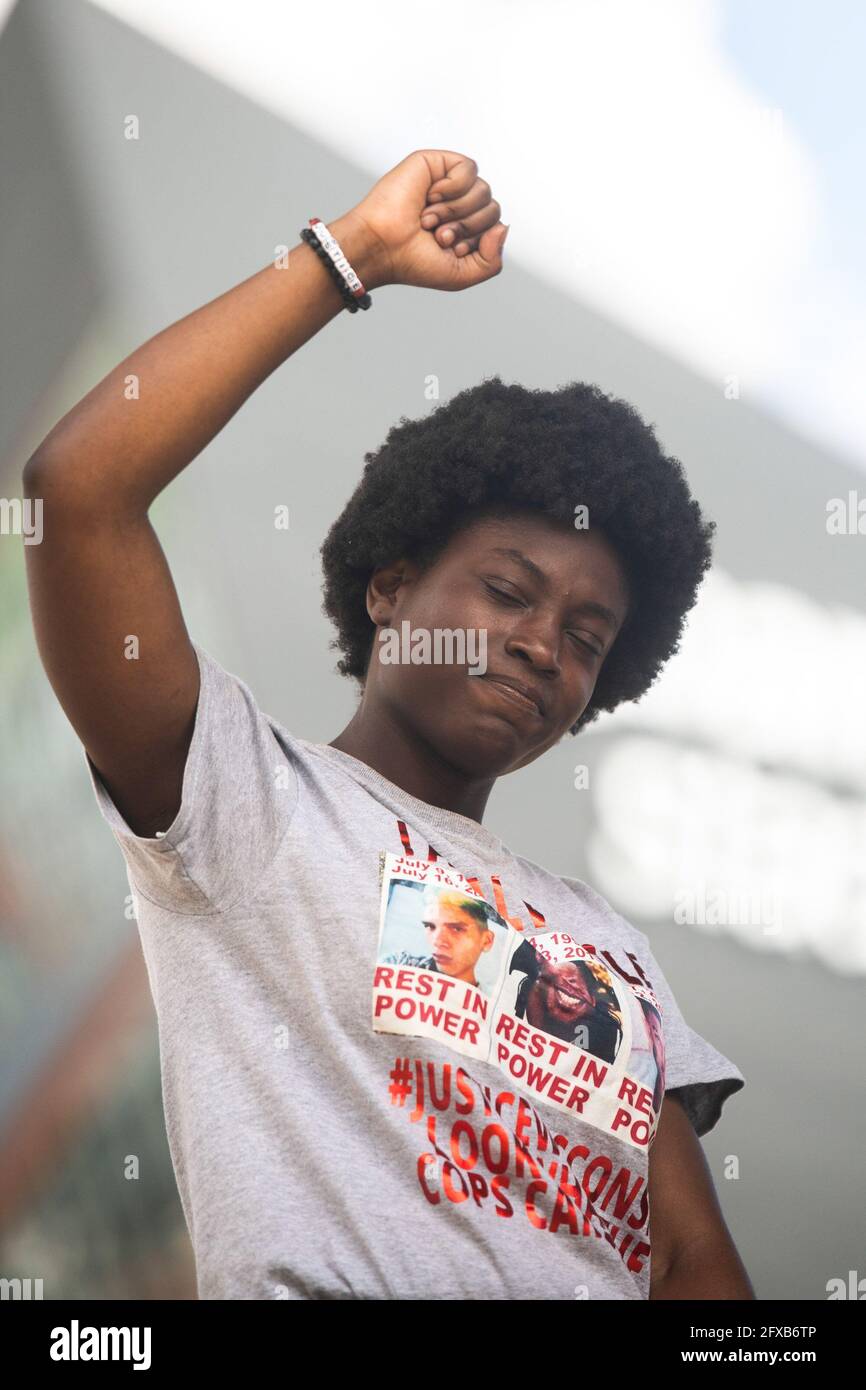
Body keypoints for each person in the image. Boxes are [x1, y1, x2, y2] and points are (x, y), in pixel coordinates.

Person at [22, 149, 753, 1300]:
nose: (538, 645)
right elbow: (74, 495)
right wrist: (348, 255)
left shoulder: (612, 949)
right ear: (390, 587)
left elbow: (694, 1265)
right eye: (508, 593)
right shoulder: (242, 801)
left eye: (585, 635)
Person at [383, 885, 498, 988]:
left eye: (457, 929)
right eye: (430, 926)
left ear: (486, 941)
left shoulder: (494, 1001)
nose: (437, 941)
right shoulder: (402, 963)